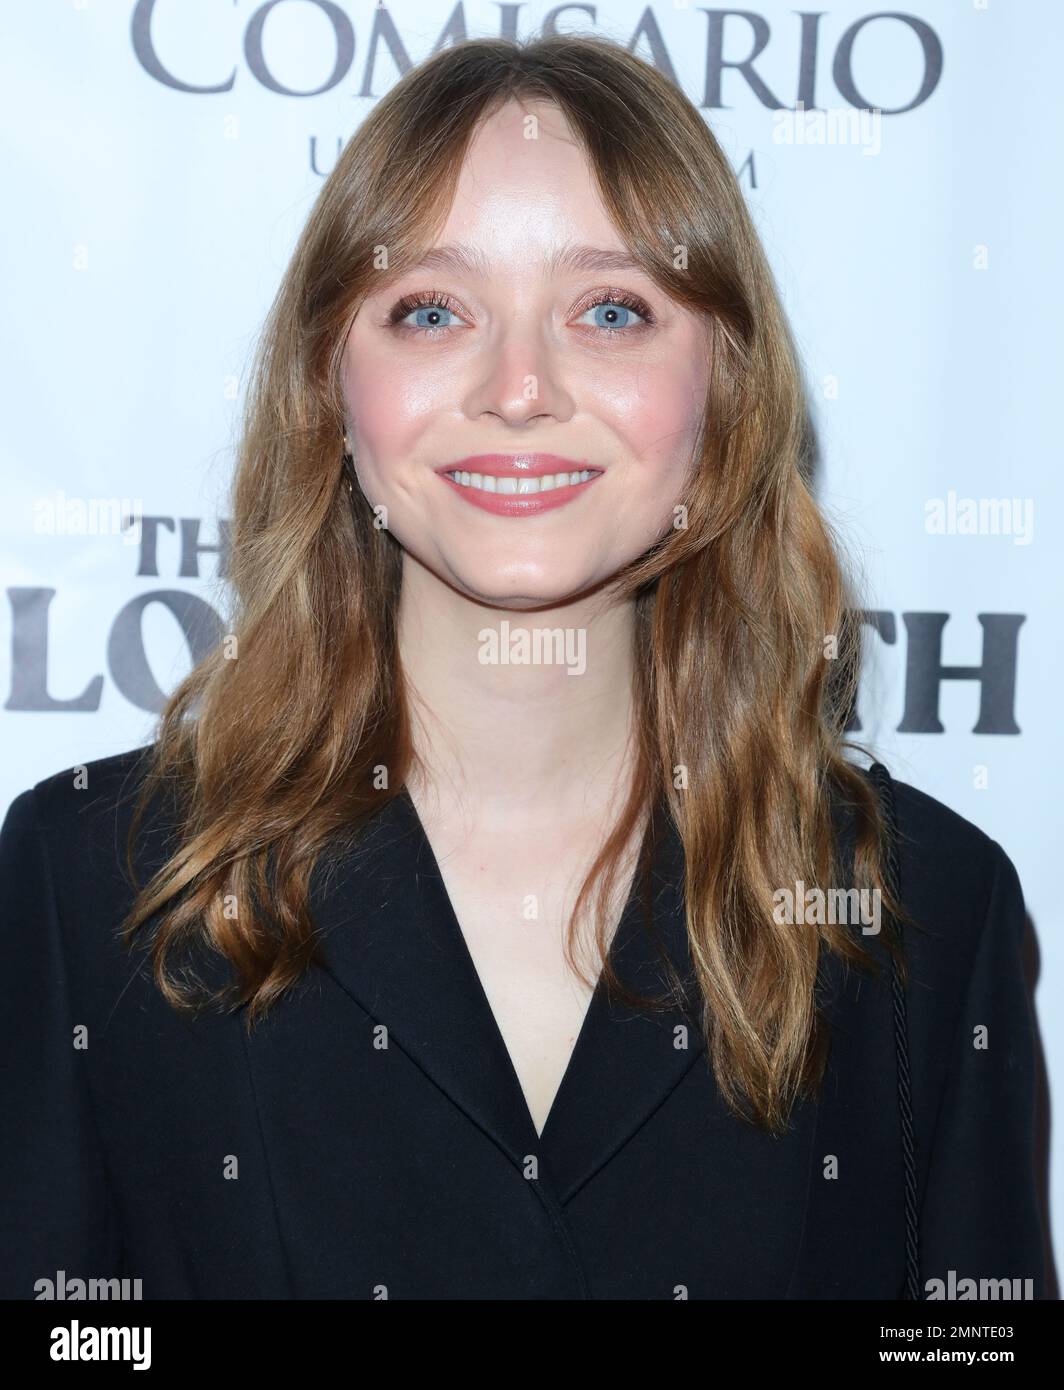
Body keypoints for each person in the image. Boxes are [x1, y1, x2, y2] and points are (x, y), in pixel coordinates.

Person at [0, 33, 1044, 1300]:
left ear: (723, 389)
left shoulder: (918, 909)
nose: (519, 388)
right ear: (331, 387)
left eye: (610, 310)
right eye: (431, 310)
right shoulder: (99, 877)